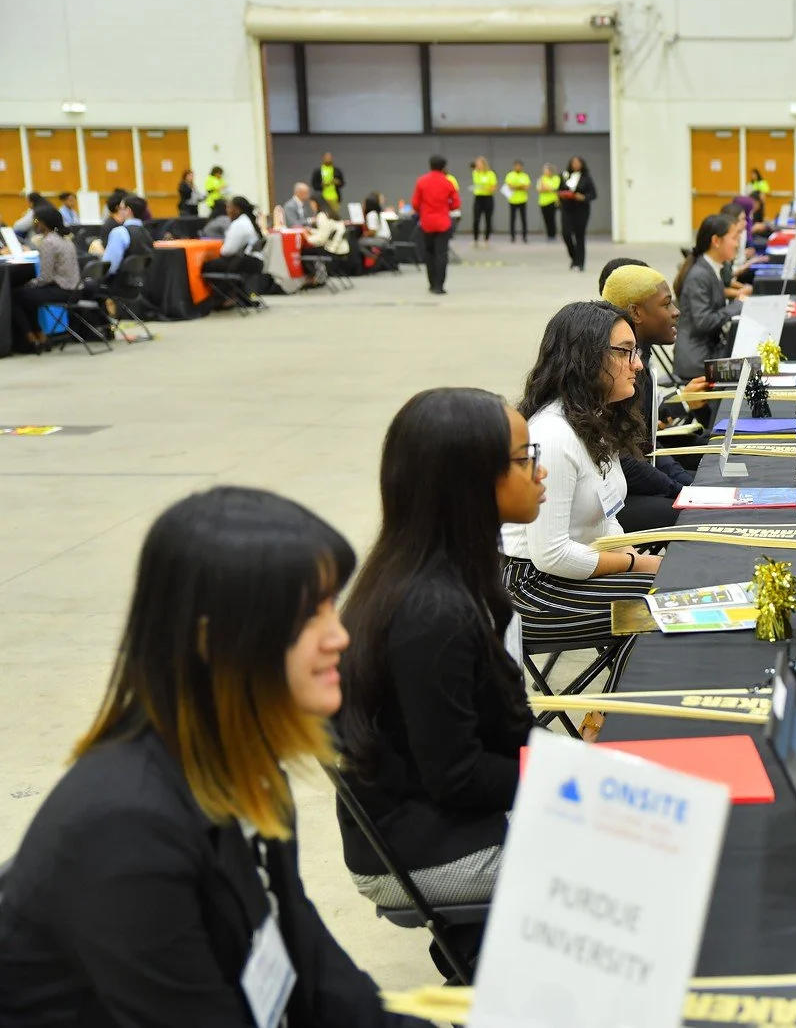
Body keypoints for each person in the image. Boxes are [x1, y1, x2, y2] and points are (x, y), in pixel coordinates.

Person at [0, 486, 428, 1028]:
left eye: (331, 607)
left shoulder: (247, 768)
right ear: (212, 641)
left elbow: (312, 969)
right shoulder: (125, 828)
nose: (339, 635)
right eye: (308, 617)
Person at [334, 389, 541, 964]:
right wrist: (572, 784)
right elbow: (458, 775)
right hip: (423, 848)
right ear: (472, 481)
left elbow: (504, 732)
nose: (539, 471)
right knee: (646, 853)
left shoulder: (451, 575)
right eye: (526, 457)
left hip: (447, 817)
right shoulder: (432, 611)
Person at [503, 301, 659, 661]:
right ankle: (613, 713)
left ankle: (611, 706)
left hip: (567, 573)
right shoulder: (554, 436)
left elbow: (606, 514)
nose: (638, 364)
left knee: (675, 592)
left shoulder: (591, 419)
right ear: (586, 359)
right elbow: (552, 555)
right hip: (532, 593)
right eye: (625, 352)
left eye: (636, 352)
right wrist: (635, 564)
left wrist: (627, 551)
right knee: (665, 607)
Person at [601, 263, 704, 531]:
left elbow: (644, 446)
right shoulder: (617, 372)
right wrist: (680, 489)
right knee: (701, 517)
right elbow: (625, 458)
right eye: (666, 304)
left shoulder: (639, 361)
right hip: (613, 498)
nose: (676, 312)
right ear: (636, 312)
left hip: (635, 476)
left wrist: (685, 484)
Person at [672, 213, 742, 381]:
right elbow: (703, 322)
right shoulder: (700, 275)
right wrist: (736, 306)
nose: (737, 244)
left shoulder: (710, 268)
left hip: (706, 350)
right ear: (716, 241)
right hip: (696, 359)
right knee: (749, 369)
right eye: (733, 238)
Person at [12, 205, 79, 354]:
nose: (34, 223)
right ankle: (39, 336)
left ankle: (32, 338)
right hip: (73, 289)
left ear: (43, 222)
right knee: (27, 295)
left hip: (62, 290)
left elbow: (45, 278)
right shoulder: (66, 240)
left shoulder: (48, 242)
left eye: (36, 220)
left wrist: (31, 283)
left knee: (16, 296)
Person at [411, 154, 459, 295]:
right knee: (441, 254)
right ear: (444, 167)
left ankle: (431, 283)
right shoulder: (448, 182)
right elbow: (455, 204)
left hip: (427, 223)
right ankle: (440, 285)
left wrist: (424, 210)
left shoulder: (421, 181)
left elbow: (415, 204)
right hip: (443, 223)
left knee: (429, 253)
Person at [199, 197, 264, 295]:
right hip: (254, 261)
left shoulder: (238, 225)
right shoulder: (247, 221)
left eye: (229, 208)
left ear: (237, 210)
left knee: (205, 267)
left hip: (244, 262)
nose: (227, 211)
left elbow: (226, 251)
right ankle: (232, 297)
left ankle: (221, 298)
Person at [559, 155, 598, 271]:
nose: (575, 165)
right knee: (566, 234)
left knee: (579, 236)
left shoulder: (586, 177)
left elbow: (593, 194)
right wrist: (562, 195)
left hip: (581, 210)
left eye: (578, 162)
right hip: (567, 209)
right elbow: (559, 190)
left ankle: (580, 263)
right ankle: (574, 257)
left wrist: (583, 197)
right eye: (573, 162)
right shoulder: (564, 176)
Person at [103, 194, 153, 276]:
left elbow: (110, 266)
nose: (119, 211)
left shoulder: (119, 232)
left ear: (128, 211)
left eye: (121, 208)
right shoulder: (147, 232)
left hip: (119, 284)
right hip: (143, 283)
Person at [469, 155, 497, 246]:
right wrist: (483, 187)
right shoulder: (475, 173)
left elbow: (493, 188)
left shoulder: (490, 174)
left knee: (488, 219)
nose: (477, 165)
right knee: (476, 219)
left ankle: (487, 239)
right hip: (478, 198)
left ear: (483, 164)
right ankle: (475, 239)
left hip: (488, 198)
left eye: (479, 163)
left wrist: (483, 187)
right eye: (476, 163)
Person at [505, 159, 531, 242]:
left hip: (522, 200)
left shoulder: (525, 176)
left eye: (519, 166)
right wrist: (520, 186)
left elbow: (527, 187)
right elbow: (509, 186)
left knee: (523, 219)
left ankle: (524, 237)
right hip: (512, 200)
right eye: (516, 166)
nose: (518, 167)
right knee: (512, 219)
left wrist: (515, 186)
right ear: (514, 166)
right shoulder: (510, 175)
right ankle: (512, 237)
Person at [535, 162, 562, 240]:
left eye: (547, 170)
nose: (545, 172)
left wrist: (546, 187)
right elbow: (539, 189)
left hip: (552, 201)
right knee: (546, 219)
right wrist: (547, 188)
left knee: (552, 219)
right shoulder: (541, 179)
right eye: (544, 170)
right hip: (543, 202)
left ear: (551, 171)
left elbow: (555, 189)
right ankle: (548, 234)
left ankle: (553, 234)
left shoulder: (556, 178)